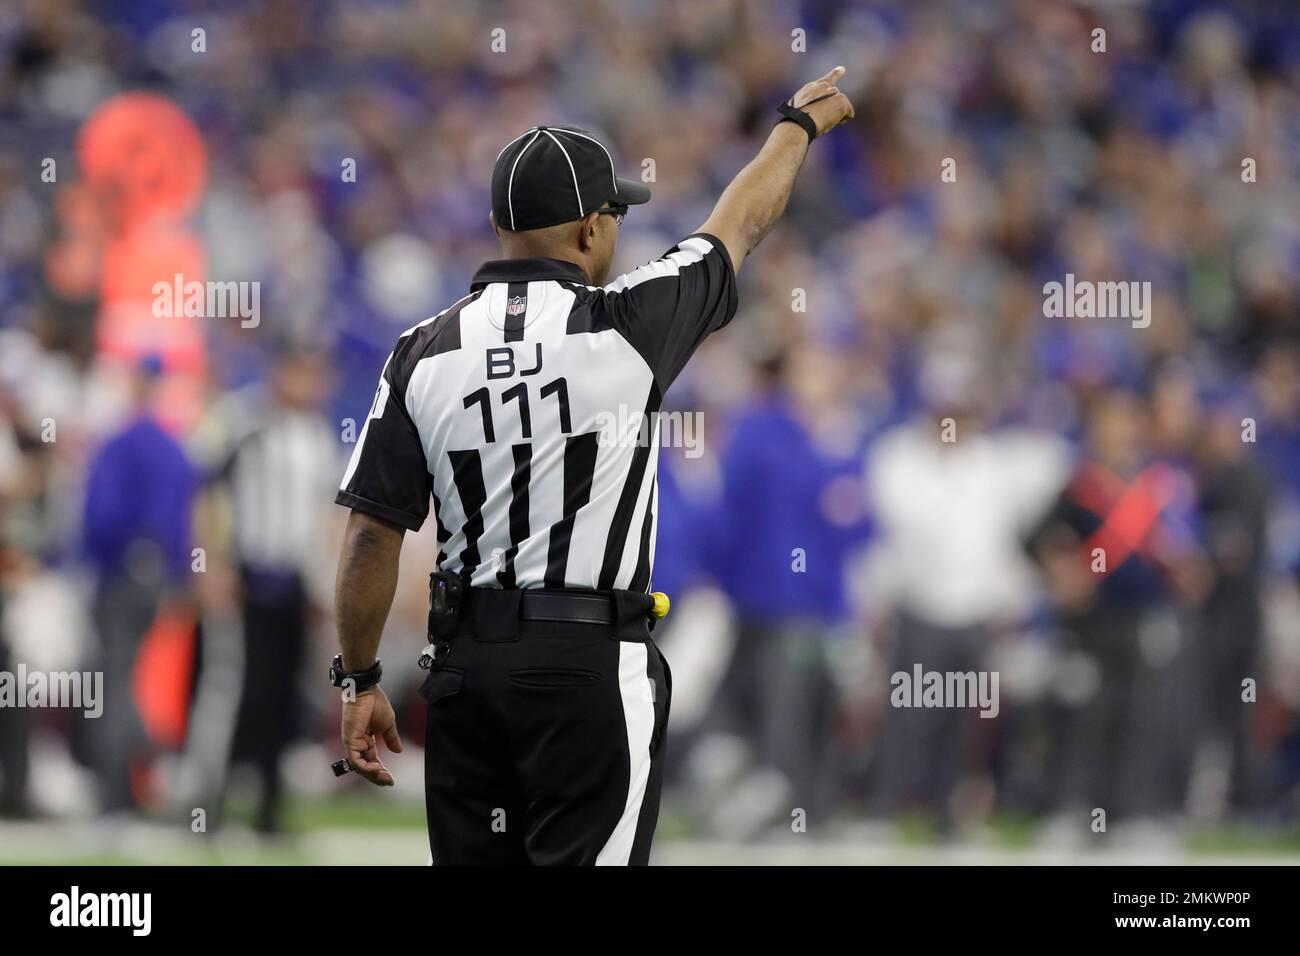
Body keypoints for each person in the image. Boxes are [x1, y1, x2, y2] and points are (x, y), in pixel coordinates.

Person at [331, 67, 855, 864]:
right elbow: (738, 224)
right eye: (614, 213)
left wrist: (360, 680)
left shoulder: (421, 352)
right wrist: (796, 128)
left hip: (466, 670)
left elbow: (372, 536)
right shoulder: (625, 326)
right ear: (589, 230)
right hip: (587, 665)